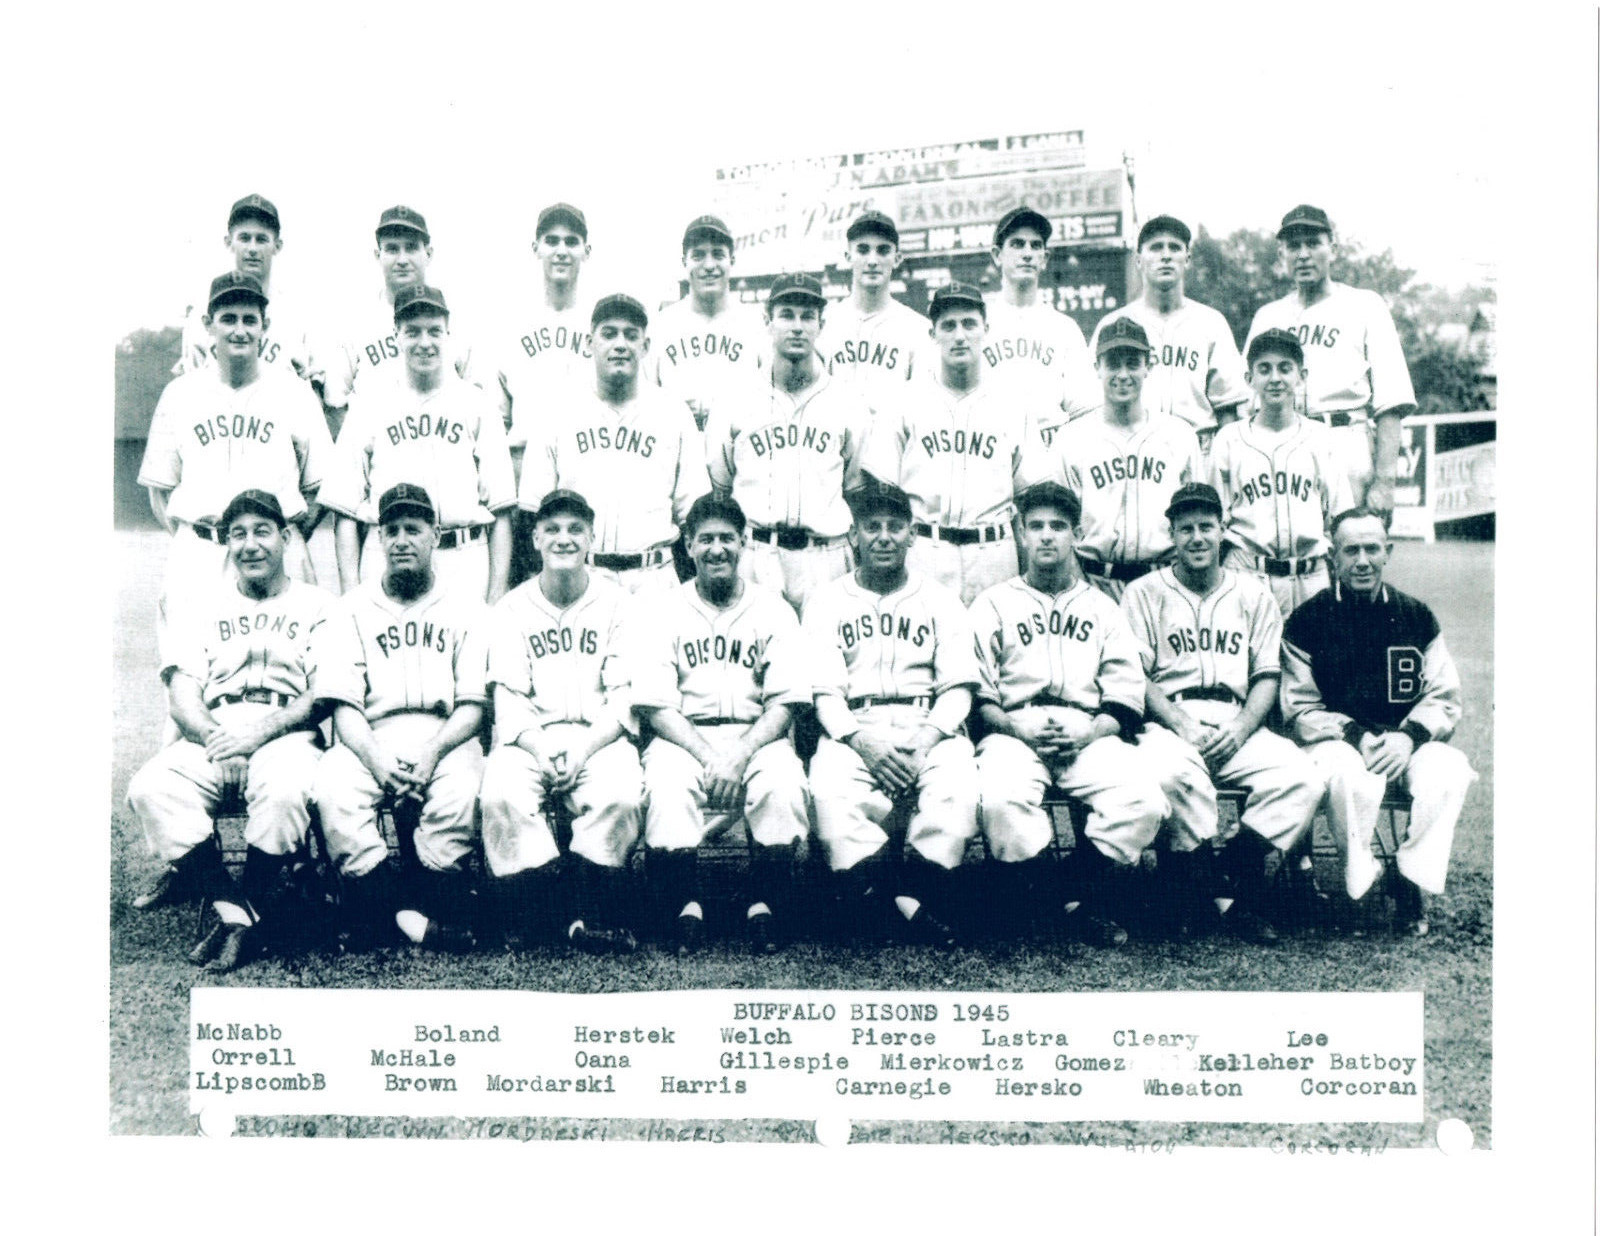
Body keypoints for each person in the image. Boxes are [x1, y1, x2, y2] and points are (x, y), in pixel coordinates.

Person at [126, 490, 331, 972]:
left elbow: (321, 695)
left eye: (262, 531)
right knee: (151, 788)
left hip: (285, 733)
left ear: (286, 538)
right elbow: (182, 693)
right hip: (214, 732)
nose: (250, 545)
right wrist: (221, 739)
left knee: (284, 793)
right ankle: (236, 913)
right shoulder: (200, 606)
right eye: (237, 534)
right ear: (226, 544)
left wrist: (253, 738)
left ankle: (244, 915)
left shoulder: (320, 605)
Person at [1121, 483, 1325, 942]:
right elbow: (1137, 676)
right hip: (1169, 721)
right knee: (1172, 776)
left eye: (1206, 527)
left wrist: (1239, 728)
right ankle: (1214, 893)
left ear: (1223, 531)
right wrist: (1180, 724)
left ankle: (1225, 869)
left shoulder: (1253, 593)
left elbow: (1267, 676)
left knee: (1303, 779)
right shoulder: (1142, 592)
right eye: (1186, 529)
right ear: (1170, 535)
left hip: (1236, 718)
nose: (1197, 538)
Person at [970, 482, 1166, 945]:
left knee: (1145, 800)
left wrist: (1090, 734)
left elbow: (1125, 692)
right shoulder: (993, 603)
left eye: (1058, 526)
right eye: (1035, 526)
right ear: (1019, 533)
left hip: (1086, 730)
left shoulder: (1103, 608)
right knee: (1000, 800)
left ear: (1076, 534)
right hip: (1013, 727)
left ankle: (1066, 891)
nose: (1046, 536)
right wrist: (1014, 728)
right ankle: (1063, 904)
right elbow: (979, 694)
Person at [310, 484, 489, 952]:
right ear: (379, 539)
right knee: (333, 789)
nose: (402, 540)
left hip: (446, 735)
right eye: (391, 531)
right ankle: (399, 911)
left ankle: (408, 904)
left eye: (414, 528)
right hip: (371, 734)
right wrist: (374, 760)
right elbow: (344, 707)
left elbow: (472, 706)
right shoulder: (349, 609)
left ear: (436, 535)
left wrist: (433, 753)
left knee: (462, 790)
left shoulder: (468, 607)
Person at [803, 480, 982, 946]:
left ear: (912, 535)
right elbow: (824, 693)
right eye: (872, 527)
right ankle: (906, 904)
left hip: (930, 726)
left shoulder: (941, 599)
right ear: (853, 537)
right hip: (854, 729)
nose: (883, 536)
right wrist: (863, 742)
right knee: (829, 790)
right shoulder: (825, 600)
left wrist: (924, 742)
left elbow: (959, 687)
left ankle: (898, 896)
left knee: (957, 790)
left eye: (895, 526)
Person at [1280, 508, 1476, 935]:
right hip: (1336, 745)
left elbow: (1444, 696)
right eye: (1351, 550)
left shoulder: (1416, 615)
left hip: (1402, 744)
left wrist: (1408, 737)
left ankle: (1407, 877)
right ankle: (1360, 876)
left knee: (1449, 771)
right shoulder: (1308, 619)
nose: (1363, 560)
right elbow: (1298, 708)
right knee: (1350, 777)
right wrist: (1354, 735)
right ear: (1333, 557)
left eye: (1372, 549)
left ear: (1388, 552)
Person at [633, 494, 812, 954]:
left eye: (727, 539)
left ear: (744, 543)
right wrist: (715, 759)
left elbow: (786, 703)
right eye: (706, 539)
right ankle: (685, 906)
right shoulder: (662, 609)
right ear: (688, 546)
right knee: (668, 788)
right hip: (684, 736)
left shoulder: (774, 609)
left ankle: (762, 903)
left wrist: (739, 755)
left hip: (757, 735)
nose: (717, 549)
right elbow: (656, 706)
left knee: (782, 785)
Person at [478, 489, 644, 954]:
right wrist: (538, 747)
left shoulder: (618, 603)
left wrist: (585, 749)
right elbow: (508, 697)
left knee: (620, 793)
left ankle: (582, 909)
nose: (564, 538)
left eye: (575, 529)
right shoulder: (511, 607)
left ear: (591, 538)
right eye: (552, 529)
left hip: (599, 737)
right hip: (530, 738)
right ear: (535, 539)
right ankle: (549, 908)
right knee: (500, 792)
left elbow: (623, 697)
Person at [139, 271, 333, 660]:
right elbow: (160, 492)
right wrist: (198, 537)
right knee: (189, 677)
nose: (239, 330)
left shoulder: (294, 393)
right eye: (228, 319)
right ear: (208, 325)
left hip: (276, 554)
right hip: (200, 552)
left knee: (285, 672)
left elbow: (320, 486)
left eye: (250, 319)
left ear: (266, 326)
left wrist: (283, 537)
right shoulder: (180, 394)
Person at [857, 281, 1052, 605]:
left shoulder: (1014, 403)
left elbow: (1033, 498)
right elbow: (881, 492)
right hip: (924, 551)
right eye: (948, 325)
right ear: (932, 334)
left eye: (969, 324)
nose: (959, 335)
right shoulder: (904, 401)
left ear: (985, 329)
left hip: (994, 555)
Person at [318, 284, 515, 604]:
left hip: (461, 557)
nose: (425, 342)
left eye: (434, 331)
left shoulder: (476, 404)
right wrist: (352, 595)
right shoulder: (370, 405)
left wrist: (495, 597)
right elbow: (345, 510)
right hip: (386, 558)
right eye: (413, 332)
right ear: (396, 335)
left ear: (448, 334)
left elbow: (501, 511)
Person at [517, 293, 711, 592]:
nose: (620, 344)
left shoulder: (673, 412)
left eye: (630, 335)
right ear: (588, 343)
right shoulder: (557, 409)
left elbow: (694, 513)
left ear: (645, 346)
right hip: (581, 575)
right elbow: (533, 509)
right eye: (608, 334)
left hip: (654, 576)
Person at [704, 272, 866, 615]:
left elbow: (853, 486)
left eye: (807, 317)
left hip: (826, 557)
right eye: (787, 315)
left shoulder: (848, 400)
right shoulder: (735, 398)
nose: (797, 326)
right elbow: (720, 484)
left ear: (821, 324)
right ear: (768, 321)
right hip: (756, 554)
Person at [1245, 205, 1416, 521]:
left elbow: (1392, 402)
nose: (1303, 254)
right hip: (1280, 444)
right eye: (1294, 246)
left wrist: (1385, 482)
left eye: (1313, 243)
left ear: (1332, 249)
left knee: (1350, 555)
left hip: (1344, 440)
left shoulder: (1365, 305)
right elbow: (1249, 402)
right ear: (1282, 254)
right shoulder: (1268, 316)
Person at [1049, 316, 1204, 600]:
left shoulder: (1179, 435)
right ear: (1097, 367)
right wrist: (1078, 585)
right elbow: (1059, 522)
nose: (1123, 374)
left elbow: (1197, 518)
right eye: (1113, 363)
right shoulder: (1070, 439)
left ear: (1148, 367)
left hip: (1164, 581)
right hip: (1092, 580)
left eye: (1132, 363)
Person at [1209, 328, 1354, 617]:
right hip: (1247, 572)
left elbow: (1341, 519)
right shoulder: (1228, 439)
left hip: (1311, 576)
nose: (1275, 378)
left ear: (1302, 376)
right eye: (1264, 369)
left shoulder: (1321, 437)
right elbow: (1215, 521)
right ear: (1249, 379)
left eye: (1285, 368)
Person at [492, 202, 595, 587]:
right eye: (551, 240)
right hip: (527, 498)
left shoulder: (599, 323)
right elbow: (496, 420)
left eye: (572, 241)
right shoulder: (511, 324)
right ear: (535, 248)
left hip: (584, 480)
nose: (561, 250)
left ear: (587, 250)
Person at [1089, 214, 1249, 453]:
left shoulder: (1211, 323)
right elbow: (1094, 402)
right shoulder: (1112, 324)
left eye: (1174, 248)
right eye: (1155, 248)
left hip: (1199, 448)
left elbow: (1228, 408)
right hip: (1134, 451)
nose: (1165, 256)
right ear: (1138, 260)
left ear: (1187, 259)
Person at [322, 205, 478, 432]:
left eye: (412, 248)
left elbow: (479, 399)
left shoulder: (456, 317)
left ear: (429, 253)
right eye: (393, 249)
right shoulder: (355, 323)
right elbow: (336, 404)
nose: (402, 259)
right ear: (378, 255)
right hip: (380, 457)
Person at [980, 206, 1100, 445]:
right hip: (991, 447)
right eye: (1017, 244)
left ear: (1044, 259)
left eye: (1035, 246)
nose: (1027, 253)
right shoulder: (977, 322)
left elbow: (1086, 408)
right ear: (997, 255)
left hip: (1049, 446)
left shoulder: (1064, 328)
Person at [174, 194, 316, 385]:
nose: (252, 248)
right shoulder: (203, 313)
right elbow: (187, 391)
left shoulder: (297, 315)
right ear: (228, 242)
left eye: (261, 239)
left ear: (278, 246)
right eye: (244, 238)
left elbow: (314, 394)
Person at [650, 214, 767, 432]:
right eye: (698, 256)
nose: (709, 265)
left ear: (731, 260)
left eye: (718, 255)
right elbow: (644, 399)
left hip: (739, 453)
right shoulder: (662, 325)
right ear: (684, 262)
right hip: (677, 450)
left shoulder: (755, 324)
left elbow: (774, 400)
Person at [815, 210, 925, 412]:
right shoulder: (824, 324)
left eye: (883, 251)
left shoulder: (917, 329)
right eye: (863, 250)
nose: (872, 260)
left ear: (897, 258)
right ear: (848, 256)